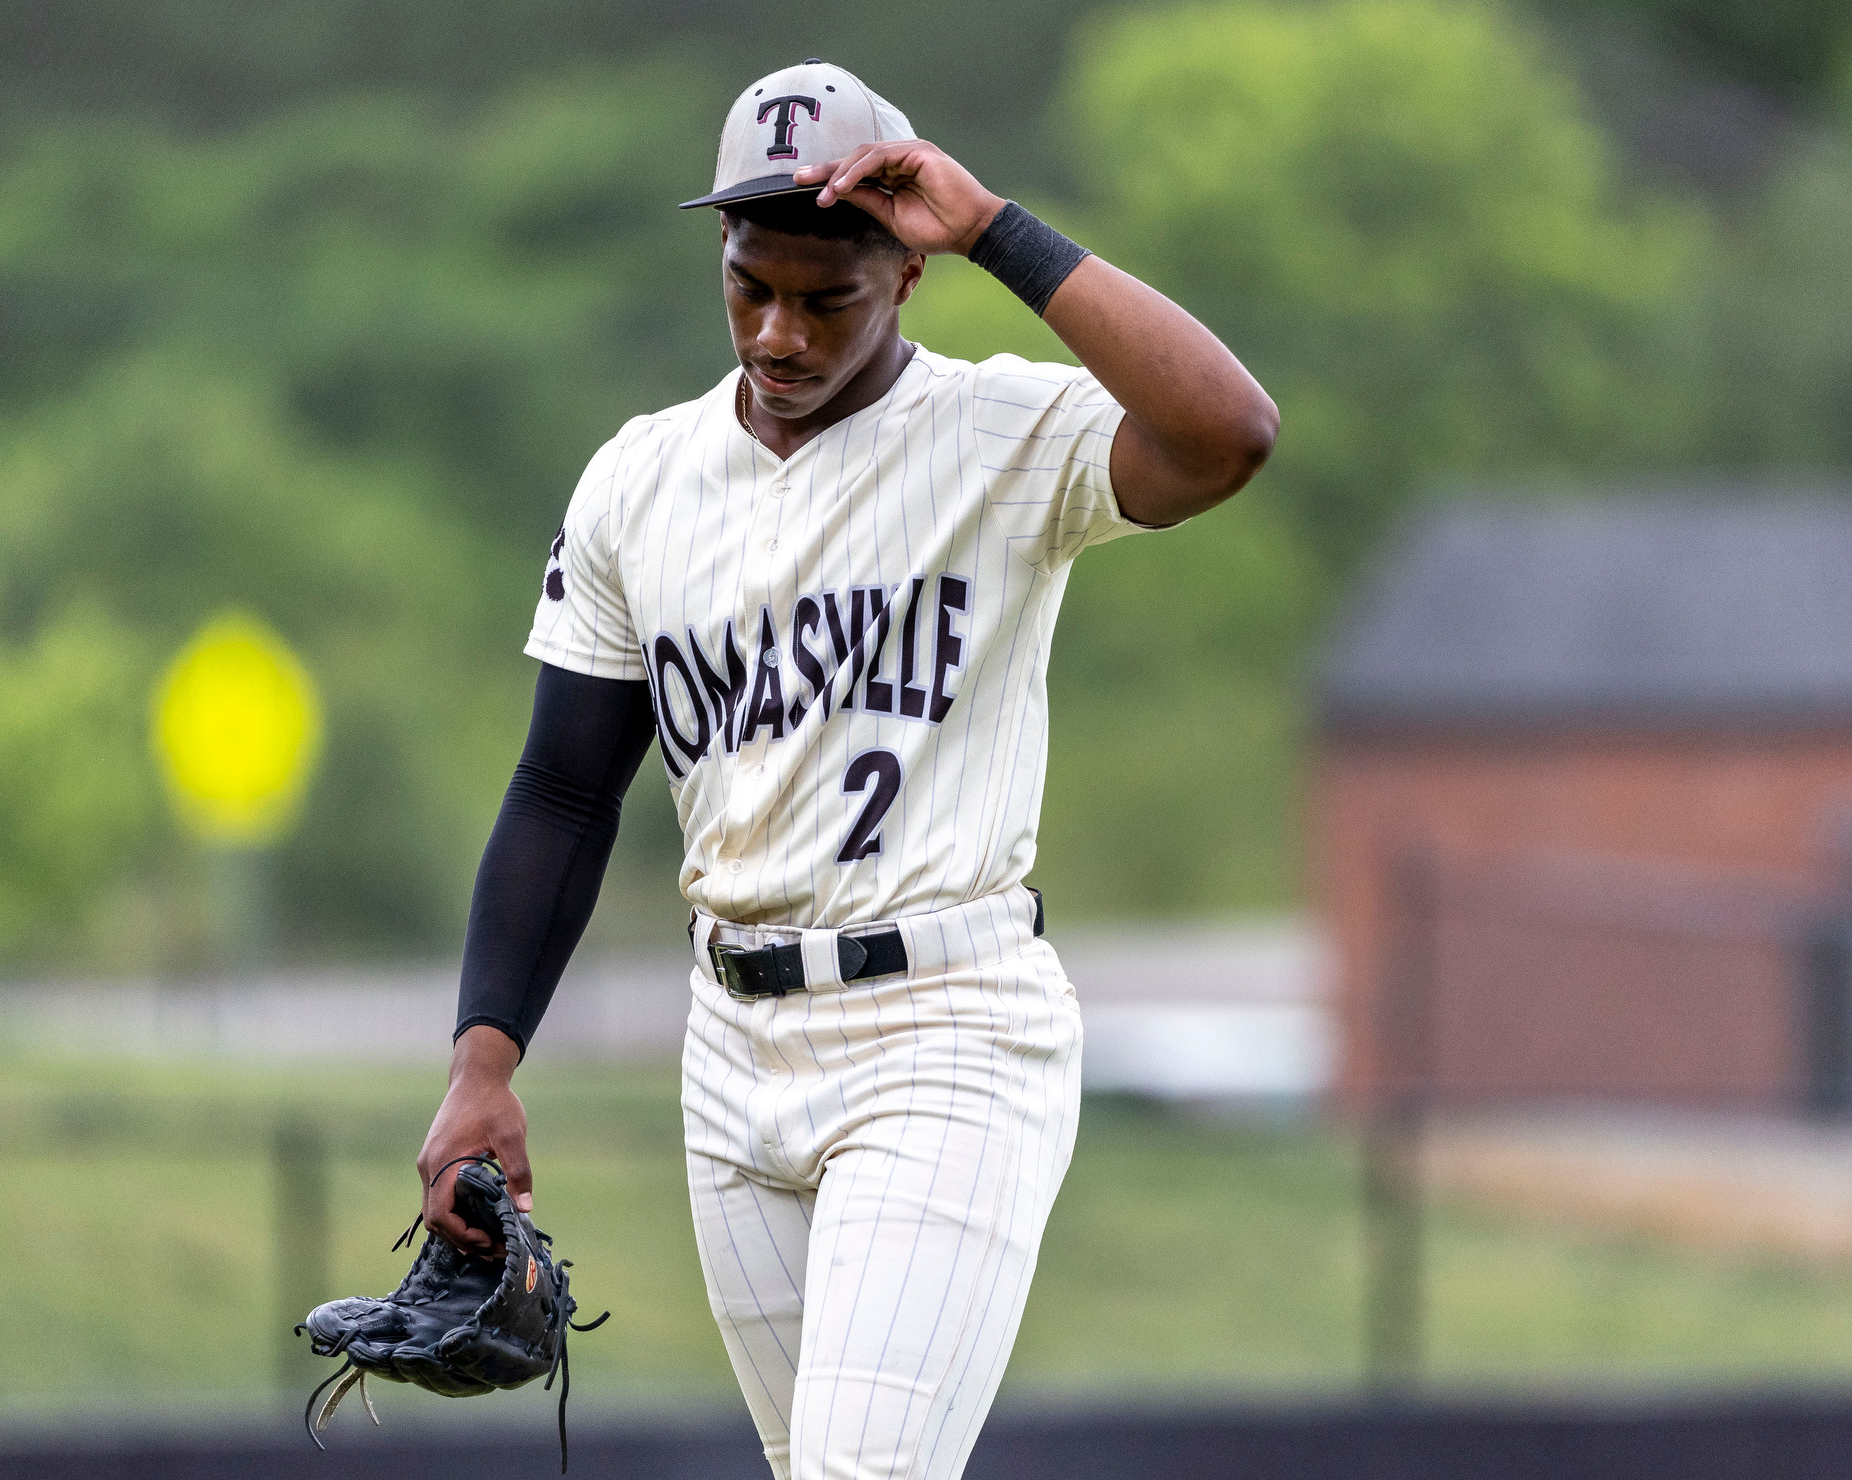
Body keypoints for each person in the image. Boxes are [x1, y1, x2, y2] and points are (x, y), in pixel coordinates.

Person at [414, 59, 1275, 1480]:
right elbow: (564, 788)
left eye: (828, 297)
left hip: (944, 1028)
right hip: (733, 1044)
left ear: (905, 276)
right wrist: (481, 1060)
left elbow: (1226, 433)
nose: (778, 330)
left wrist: (996, 225)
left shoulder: (1000, 433)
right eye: (751, 284)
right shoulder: (639, 479)